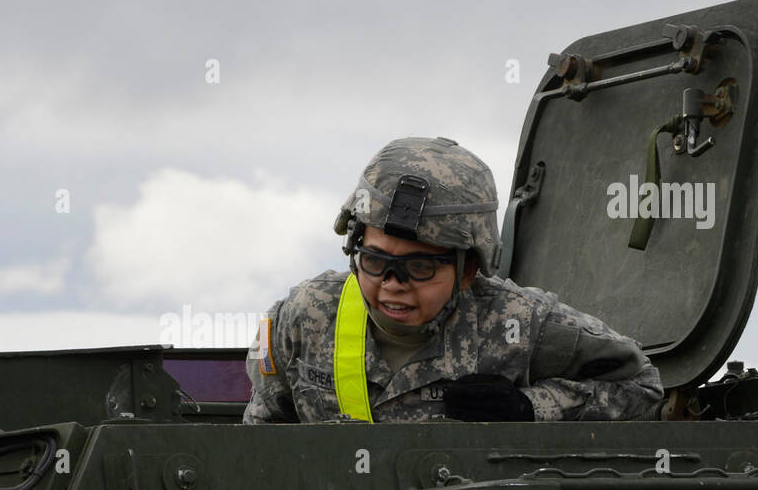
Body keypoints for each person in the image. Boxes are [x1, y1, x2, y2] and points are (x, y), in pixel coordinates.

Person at [243, 136, 663, 423]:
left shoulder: (521, 325)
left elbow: (641, 387)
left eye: (420, 267)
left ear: (468, 269)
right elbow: (262, 435)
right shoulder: (304, 317)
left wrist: (529, 408)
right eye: (374, 260)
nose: (392, 283)